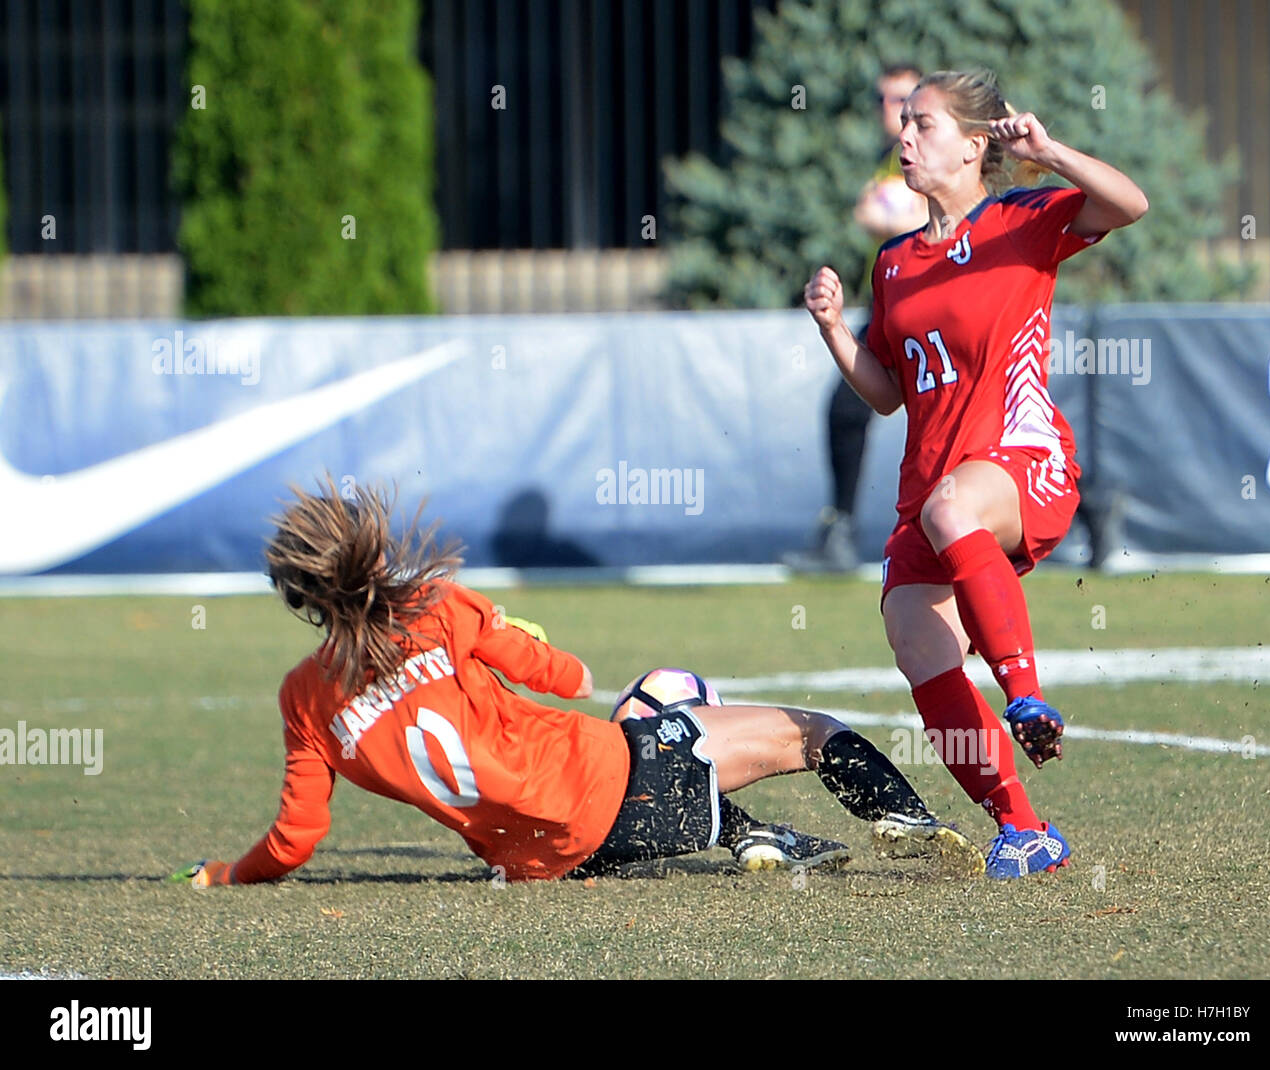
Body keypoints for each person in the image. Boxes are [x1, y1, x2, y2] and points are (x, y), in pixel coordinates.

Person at [172, 480, 984, 888]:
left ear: (302, 600)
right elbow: (558, 676)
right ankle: (905, 820)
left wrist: (223, 875)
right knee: (729, 708)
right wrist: (550, 658)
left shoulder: (303, 696)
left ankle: (748, 835)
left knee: (646, 722)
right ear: (371, 554)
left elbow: (296, 837)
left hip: (545, 859)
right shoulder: (433, 606)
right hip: (611, 782)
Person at [804, 69, 1147, 878]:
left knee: (956, 508)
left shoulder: (1023, 219)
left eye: (924, 124)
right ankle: (1025, 831)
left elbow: (1129, 205)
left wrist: (1049, 152)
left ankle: (1025, 695)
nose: (906, 137)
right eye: (905, 124)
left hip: (1022, 463)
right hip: (928, 495)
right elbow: (887, 395)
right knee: (915, 642)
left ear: (973, 143)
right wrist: (830, 329)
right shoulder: (894, 263)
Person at [786, 63, 928, 573]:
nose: (889, 111)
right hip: (893, 304)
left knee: (976, 419)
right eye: (883, 100)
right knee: (848, 409)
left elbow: (926, 215)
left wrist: (887, 214)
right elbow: (878, 212)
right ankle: (840, 531)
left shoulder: (931, 151)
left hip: (933, 304)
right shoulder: (891, 157)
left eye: (902, 100)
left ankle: (1091, 504)